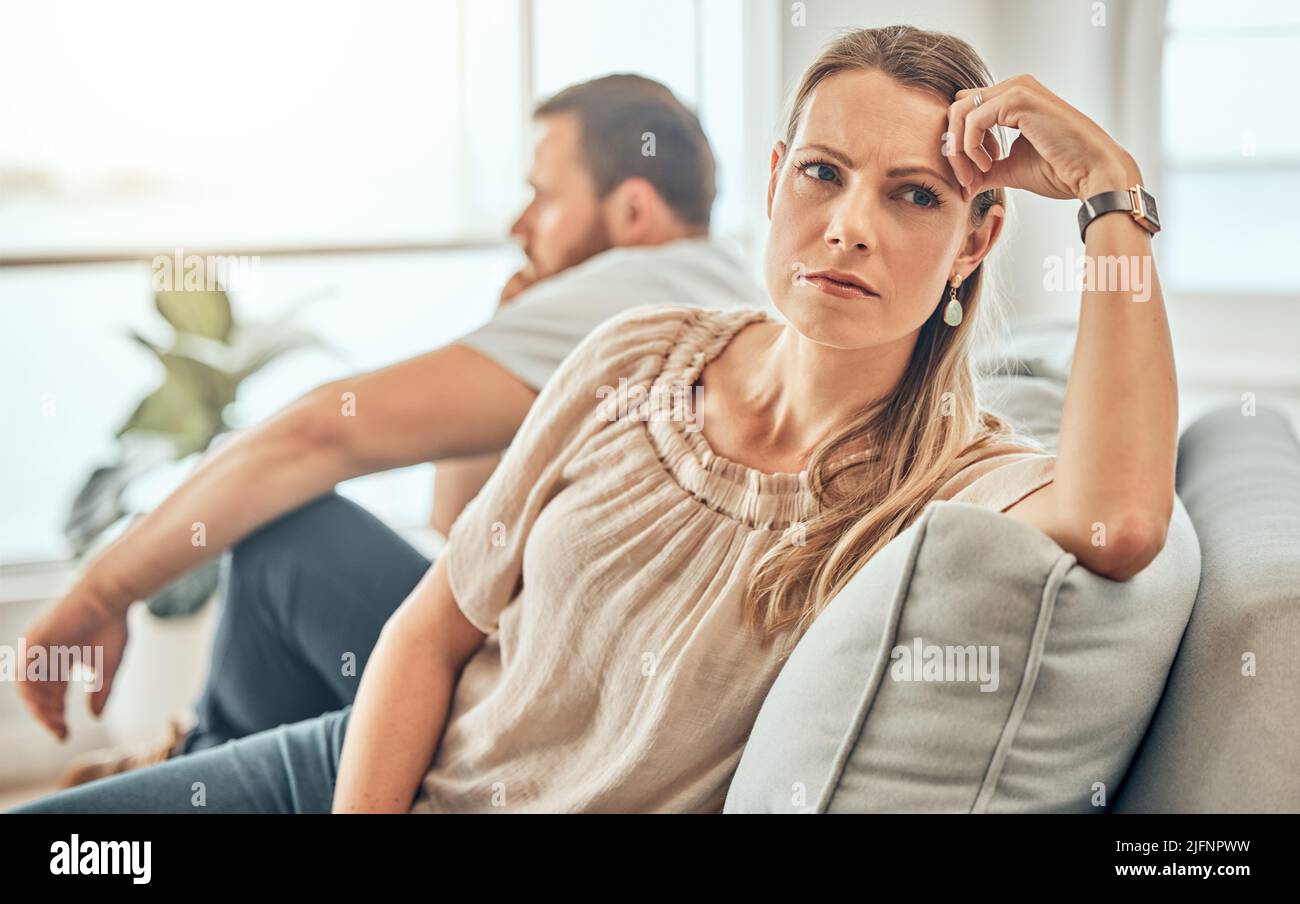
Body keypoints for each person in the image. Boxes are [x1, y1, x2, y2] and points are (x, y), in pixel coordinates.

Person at [11, 23, 1177, 814]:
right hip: (365, 758)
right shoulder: (635, 350)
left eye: (913, 196)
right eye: (822, 174)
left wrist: (1109, 193)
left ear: (976, 241)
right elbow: (431, 630)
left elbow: (1121, 523)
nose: (847, 226)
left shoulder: (956, 478)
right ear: (774, 182)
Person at [16, 73, 764, 787]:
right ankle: (208, 755)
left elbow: (318, 435)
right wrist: (511, 329)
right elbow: (458, 525)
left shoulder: (636, 294)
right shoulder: (729, 288)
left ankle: (201, 759)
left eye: (542, 197)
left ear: (631, 211)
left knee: (289, 537)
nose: (518, 225)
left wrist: (101, 592)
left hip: (528, 708)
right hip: (597, 703)